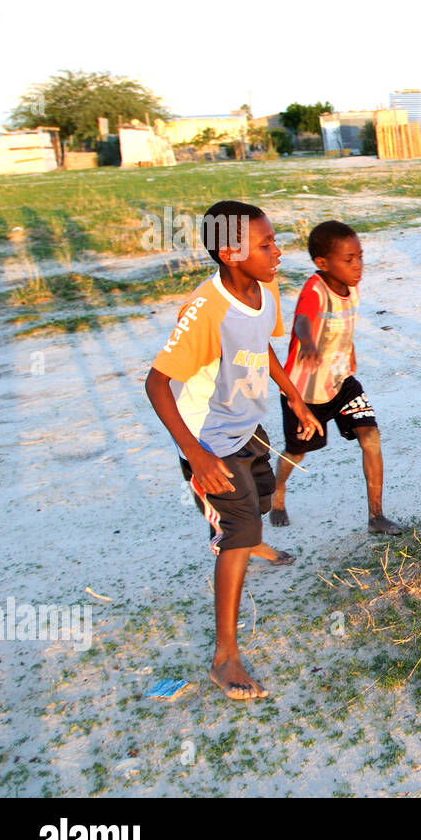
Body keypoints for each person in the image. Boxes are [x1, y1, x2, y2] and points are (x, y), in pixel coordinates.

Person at [144, 200, 323, 700]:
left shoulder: (265, 289)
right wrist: (197, 457)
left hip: (249, 425)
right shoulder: (206, 309)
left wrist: (294, 397)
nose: (277, 252)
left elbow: (262, 346)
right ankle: (225, 657)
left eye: (274, 241)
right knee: (240, 528)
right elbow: (156, 384)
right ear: (229, 252)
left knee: (261, 499)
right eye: (266, 245)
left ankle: (242, 531)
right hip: (208, 441)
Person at [269, 221, 404, 535]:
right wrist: (308, 342)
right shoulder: (314, 290)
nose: (358, 266)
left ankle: (376, 517)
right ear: (322, 263)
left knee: (371, 438)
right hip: (305, 392)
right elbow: (303, 321)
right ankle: (277, 495)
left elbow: (343, 324)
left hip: (342, 382)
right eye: (349, 260)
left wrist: (350, 349)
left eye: (360, 257)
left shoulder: (352, 287)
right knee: (297, 451)